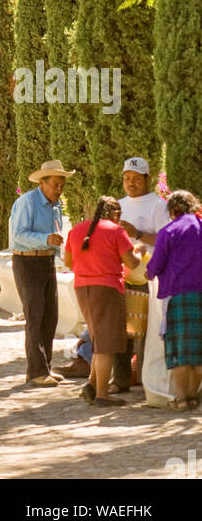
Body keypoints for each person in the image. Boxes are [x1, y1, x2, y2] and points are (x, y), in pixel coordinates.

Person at [65, 197, 139, 407]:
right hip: (107, 289)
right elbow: (131, 262)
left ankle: (91, 385)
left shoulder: (77, 230)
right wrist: (139, 255)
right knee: (106, 345)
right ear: (115, 213)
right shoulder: (116, 231)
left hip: (82, 289)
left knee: (98, 340)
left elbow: (69, 262)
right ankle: (102, 394)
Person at [8, 159, 75, 387]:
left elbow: (53, 235)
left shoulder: (55, 205)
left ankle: (45, 367)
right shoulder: (28, 202)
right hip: (27, 263)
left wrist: (59, 253)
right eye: (55, 185)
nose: (59, 190)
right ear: (42, 183)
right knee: (35, 317)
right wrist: (45, 239)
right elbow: (18, 235)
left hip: (46, 261)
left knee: (50, 316)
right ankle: (36, 372)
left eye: (62, 185)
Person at [115, 156, 171, 391]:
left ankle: (148, 380)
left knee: (146, 332)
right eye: (127, 178)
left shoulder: (158, 205)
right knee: (121, 330)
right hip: (120, 275)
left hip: (148, 277)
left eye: (136, 179)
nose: (131, 183)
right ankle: (121, 380)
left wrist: (136, 233)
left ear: (147, 179)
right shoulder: (118, 204)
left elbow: (165, 240)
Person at [146, 189, 202, 411]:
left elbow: (156, 265)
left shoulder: (169, 231)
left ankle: (181, 399)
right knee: (198, 351)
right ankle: (193, 397)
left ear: (174, 211)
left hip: (178, 295)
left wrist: (148, 272)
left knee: (178, 349)